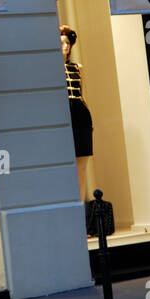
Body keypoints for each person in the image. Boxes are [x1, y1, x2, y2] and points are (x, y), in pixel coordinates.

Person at [60, 24, 94, 230]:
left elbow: (81, 94)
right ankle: (67, 217)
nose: (65, 46)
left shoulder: (77, 68)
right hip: (63, 116)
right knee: (64, 166)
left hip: (80, 114)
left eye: (67, 43)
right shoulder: (50, 69)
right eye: (61, 42)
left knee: (81, 168)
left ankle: (80, 220)